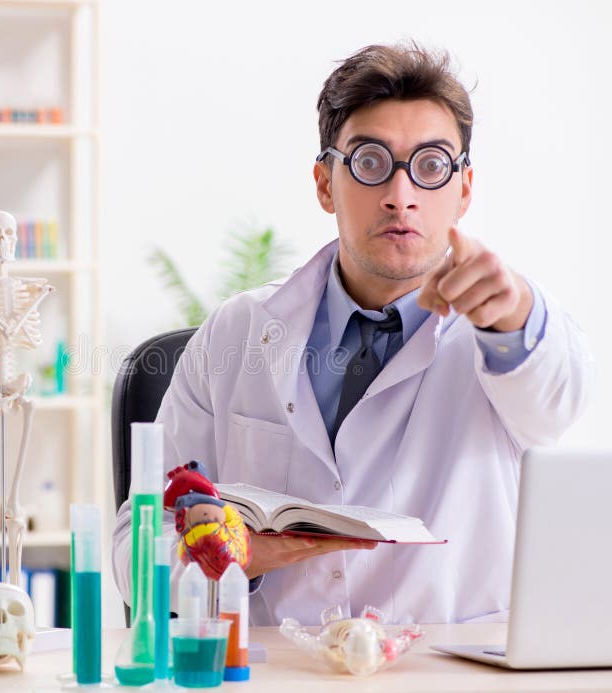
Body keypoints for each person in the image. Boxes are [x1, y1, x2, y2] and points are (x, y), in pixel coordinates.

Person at [112, 43, 593, 626]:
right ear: (325, 184)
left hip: (442, 666)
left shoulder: (507, 337)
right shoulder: (236, 333)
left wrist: (514, 314)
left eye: (431, 166)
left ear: (464, 190)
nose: (400, 195)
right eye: (369, 161)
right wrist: (230, 557)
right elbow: (136, 545)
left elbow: (556, 399)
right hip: (271, 664)